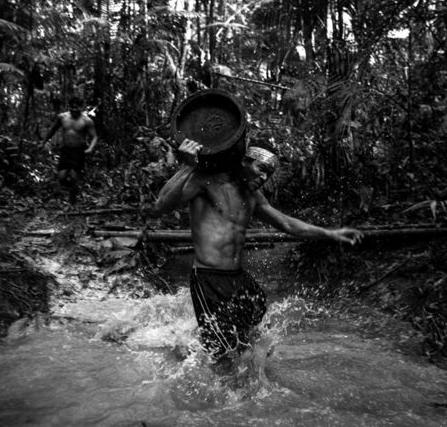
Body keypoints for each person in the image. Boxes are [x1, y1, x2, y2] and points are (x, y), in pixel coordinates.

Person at [154, 138, 363, 359]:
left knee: (252, 335)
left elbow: (287, 223)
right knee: (222, 354)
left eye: (269, 174)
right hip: (208, 279)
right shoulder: (205, 181)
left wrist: (329, 233)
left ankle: (202, 347)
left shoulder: (253, 196)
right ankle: (195, 359)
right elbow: (160, 206)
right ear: (244, 160)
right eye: (261, 168)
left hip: (238, 278)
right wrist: (188, 166)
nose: (264, 178)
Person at [40, 97, 97, 204]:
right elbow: (53, 129)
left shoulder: (87, 121)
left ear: (81, 107)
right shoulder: (62, 117)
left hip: (79, 151)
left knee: (75, 177)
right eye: (72, 107)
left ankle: (72, 202)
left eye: (77, 107)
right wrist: (43, 141)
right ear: (69, 106)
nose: (75, 109)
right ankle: (74, 189)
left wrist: (90, 148)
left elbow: (94, 136)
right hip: (66, 150)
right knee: (61, 177)